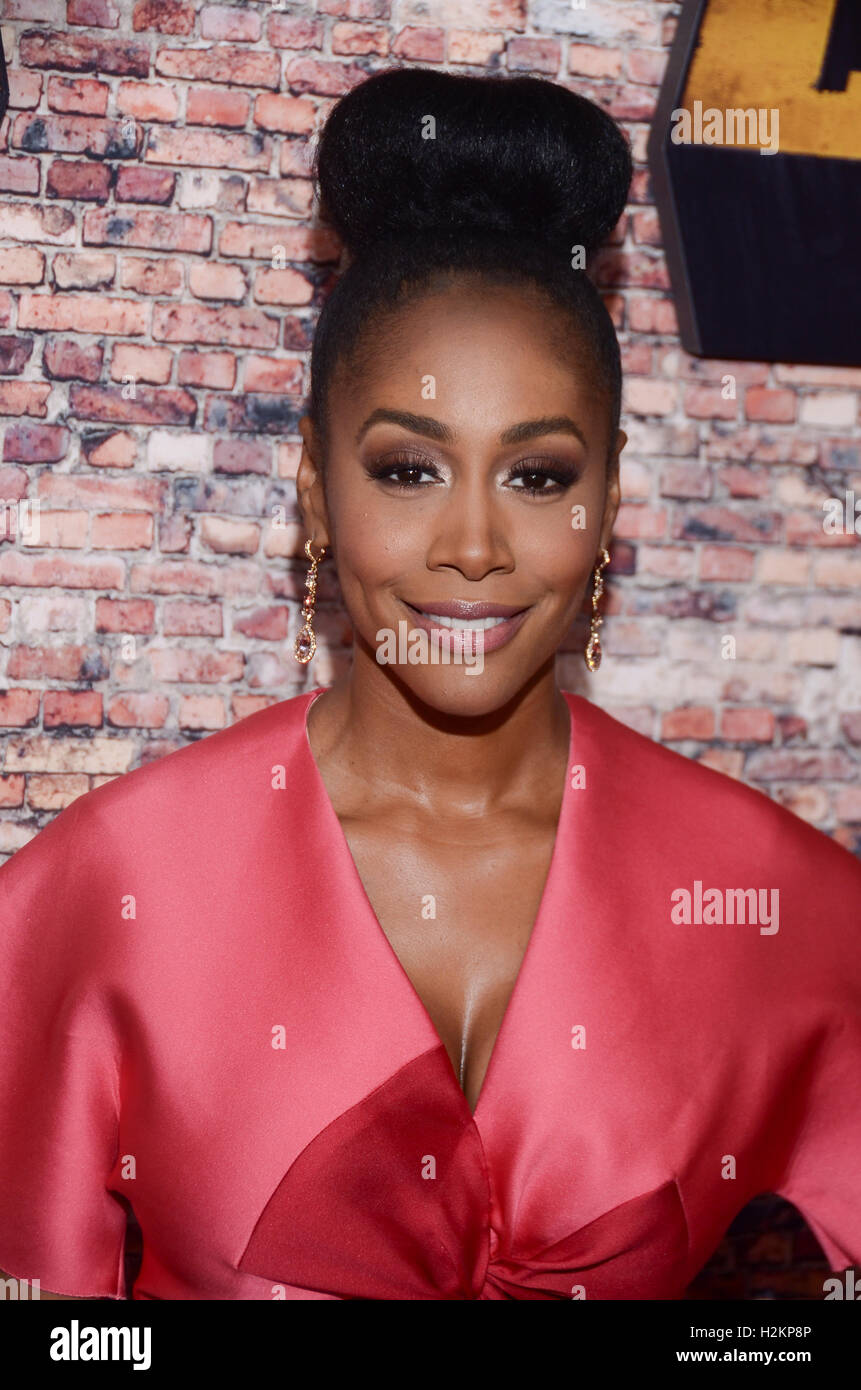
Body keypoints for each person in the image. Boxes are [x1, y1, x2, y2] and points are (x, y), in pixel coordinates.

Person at [0, 67, 859, 1302]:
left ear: (607, 505)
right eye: (408, 470)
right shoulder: (103, 893)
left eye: (539, 475)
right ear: (314, 491)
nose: (472, 545)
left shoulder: (768, 897)